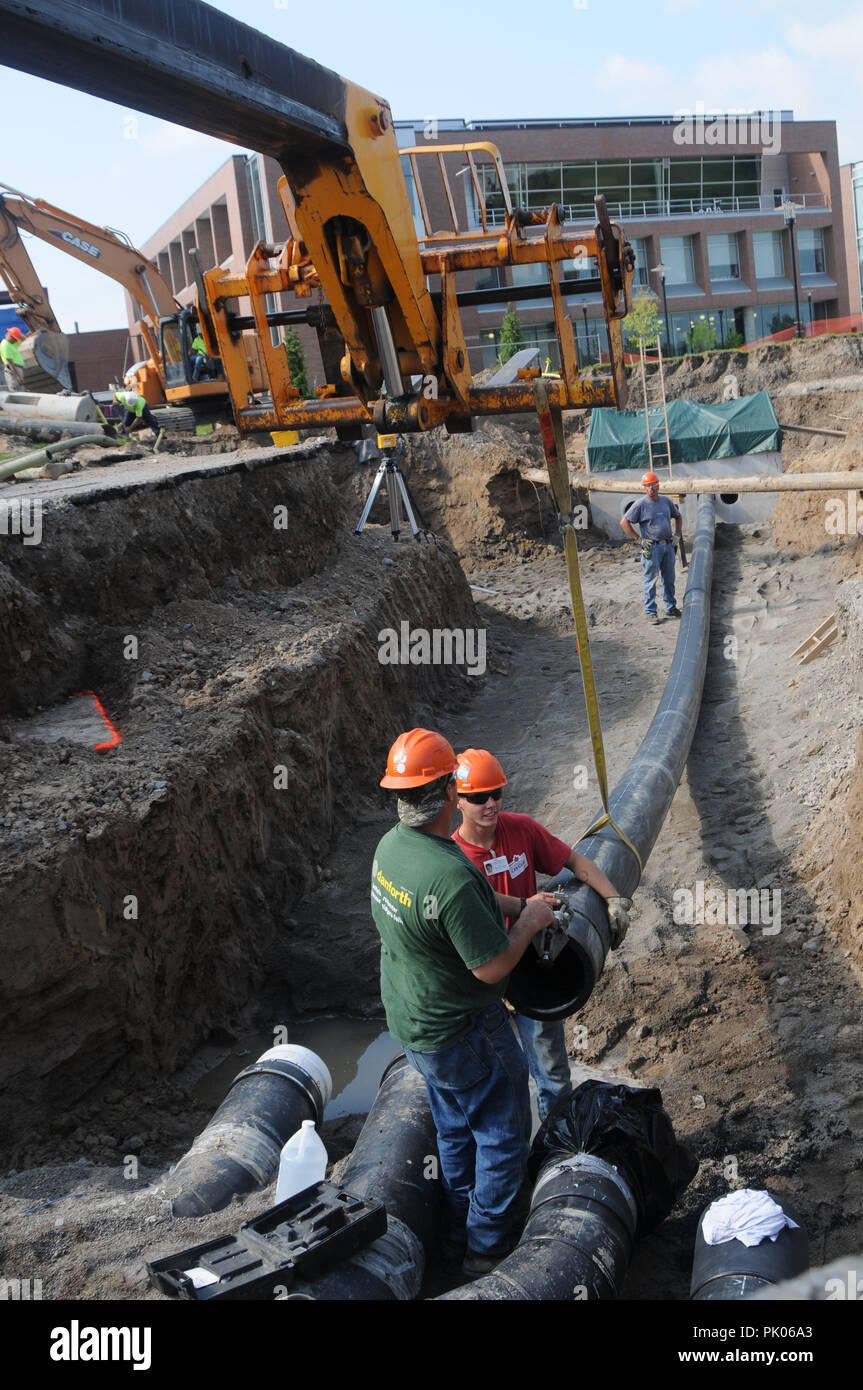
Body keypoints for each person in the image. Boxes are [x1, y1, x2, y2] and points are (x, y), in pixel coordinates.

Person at [370, 728, 555, 1277]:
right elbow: (493, 964)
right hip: (464, 1028)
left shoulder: (394, 848)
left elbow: (466, 899)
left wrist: (518, 900)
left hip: (412, 1022)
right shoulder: (447, 873)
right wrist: (529, 921)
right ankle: (487, 1251)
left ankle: (454, 1232)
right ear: (451, 791)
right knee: (502, 1134)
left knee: (454, 1127)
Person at [452, 748, 631, 1122]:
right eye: (478, 797)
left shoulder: (520, 829)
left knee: (551, 1072)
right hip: (484, 978)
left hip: (535, 966)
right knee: (499, 1078)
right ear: (456, 799)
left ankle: (556, 1143)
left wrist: (613, 899)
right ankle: (509, 1154)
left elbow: (577, 862)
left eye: (496, 794)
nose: (490, 804)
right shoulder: (452, 859)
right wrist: (523, 905)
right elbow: (475, 899)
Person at [620, 471, 683, 625]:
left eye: (653, 484)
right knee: (650, 580)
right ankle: (650, 612)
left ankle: (670, 607)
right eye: (648, 486)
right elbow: (624, 522)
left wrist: (677, 535)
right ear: (644, 488)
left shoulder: (666, 501)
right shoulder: (640, 504)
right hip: (652, 548)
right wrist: (638, 539)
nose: (651, 488)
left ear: (658, 484)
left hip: (668, 546)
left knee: (669, 578)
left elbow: (678, 516)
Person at [113, 386, 165, 450]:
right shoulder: (122, 396)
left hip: (143, 407)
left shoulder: (139, 404)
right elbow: (115, 394)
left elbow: (138, 418)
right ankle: (124, 440)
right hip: (129, 409)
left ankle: (161, 437)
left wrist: (130, 428)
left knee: (150, 421)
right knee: (126, 423)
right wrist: (115, 401)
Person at [1, 326, 26, 391]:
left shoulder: (12, 343)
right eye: (15, 339)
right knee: (16, 390)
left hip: (16, 369)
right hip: (13, 370)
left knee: (20, 390)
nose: (16, 341)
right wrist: (18, 376)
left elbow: (24, 339)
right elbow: (10, 363)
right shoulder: (5, 345)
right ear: (10, 336)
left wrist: (18, 333)